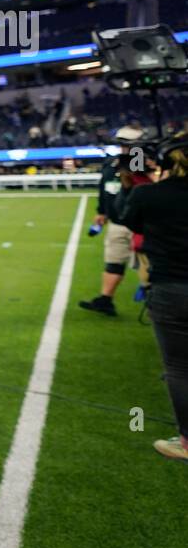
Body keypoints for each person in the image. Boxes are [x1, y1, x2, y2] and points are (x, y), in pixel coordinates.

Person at [111, 131, 188, 462]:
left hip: (172, 287)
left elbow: (125, 217)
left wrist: (131, 180)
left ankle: (186, 442)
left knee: (179, 367)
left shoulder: (150, 195)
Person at [80, 125, 145, 316]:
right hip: (117, 222)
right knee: (114, 261)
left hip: (139, 225)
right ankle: (106, 300)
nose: (125, 147)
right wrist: (102, 211)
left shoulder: (141, 163)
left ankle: (158, 304)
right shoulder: (112, 163)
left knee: (147, 266)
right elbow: (105, 189)